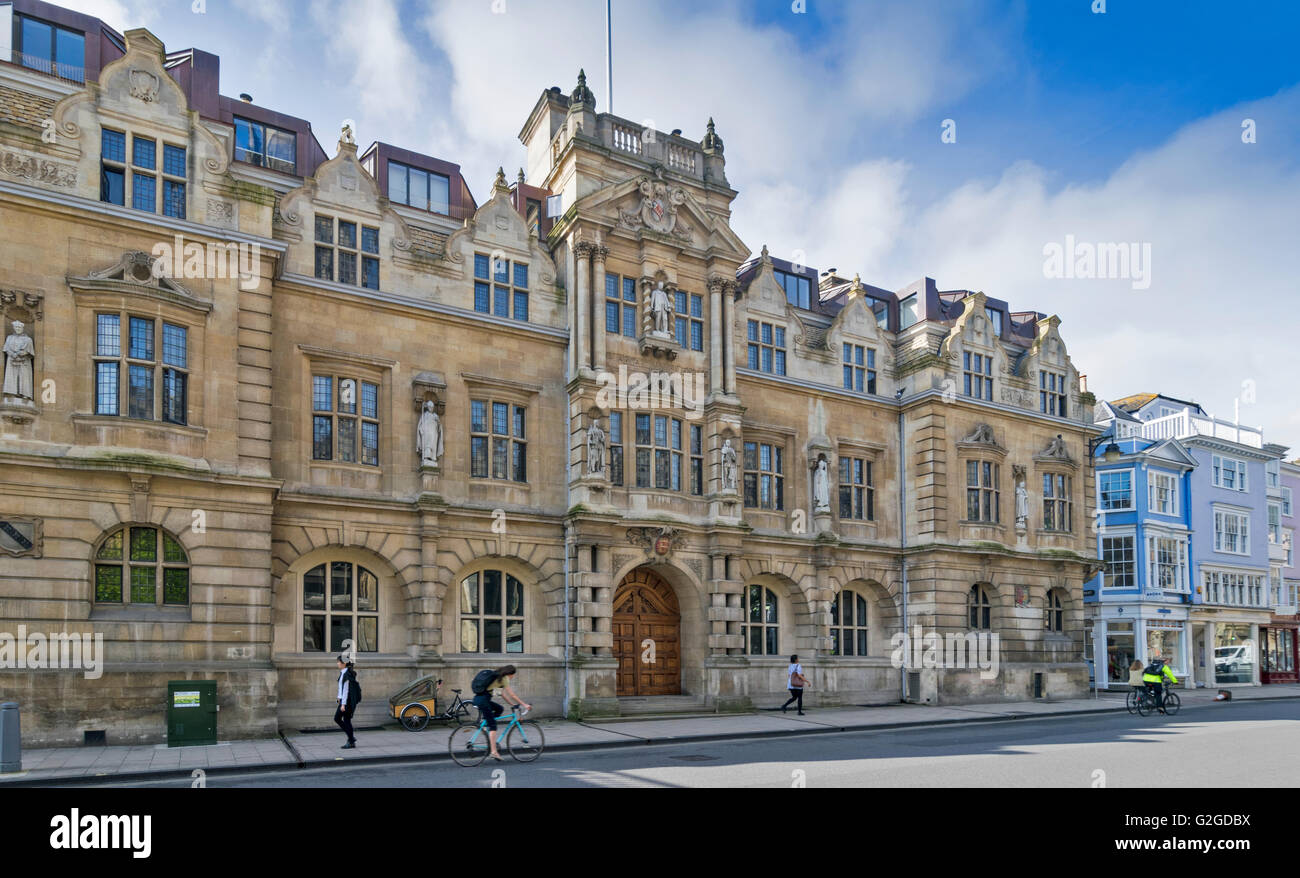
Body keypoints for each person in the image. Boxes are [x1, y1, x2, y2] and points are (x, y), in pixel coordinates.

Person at [471, 664, 531, 761]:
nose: (513, 677)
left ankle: (487, 724)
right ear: (510, 673)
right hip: (483, 700)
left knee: (499, 709)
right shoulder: (504, 678)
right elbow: (512, 694)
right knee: (493, 726)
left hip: (480, 699)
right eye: (513, 675)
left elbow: (502, 694)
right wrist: (524, 704)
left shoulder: (498, 677)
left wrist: (512, 705)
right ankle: (494, 752)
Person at [335, 656, 360, 749]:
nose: (337, 663)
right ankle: (351, 740)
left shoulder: (347, 675)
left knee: (339, 719)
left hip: (346, 702)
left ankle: (351, 739)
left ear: (344, 663)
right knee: (345, 720)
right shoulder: (343, 673)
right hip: (344, 700)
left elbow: (346, 690)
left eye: (338, 662)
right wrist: (338, 697)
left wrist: (343, 704)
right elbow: (341, 688)